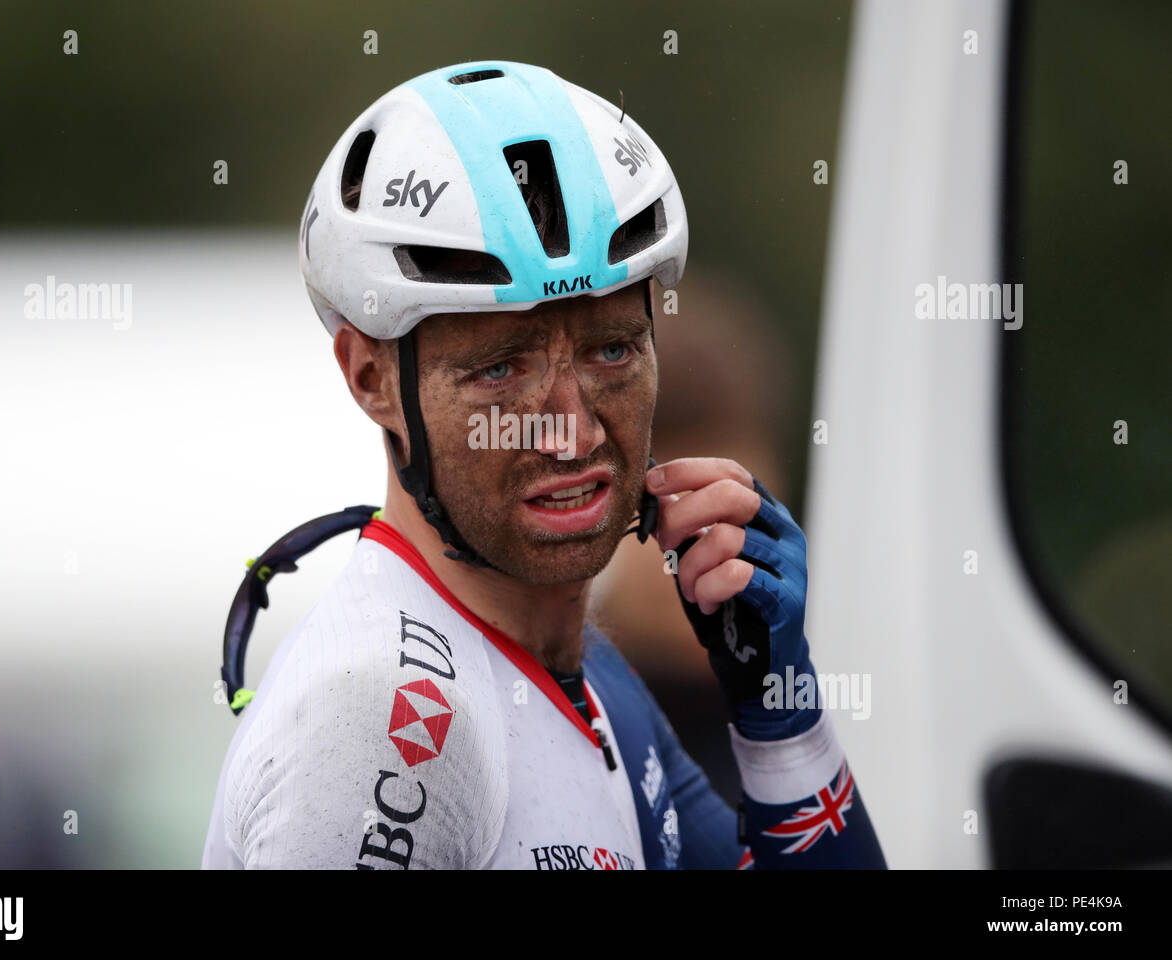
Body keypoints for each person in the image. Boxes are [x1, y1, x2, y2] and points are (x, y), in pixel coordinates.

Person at [202, 60, 886, 870]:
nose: (572, 430)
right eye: (499, 370)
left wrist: (782, 714)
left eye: (612, 351)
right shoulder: (384, 716)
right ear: (371, 378)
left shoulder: (587, 674)